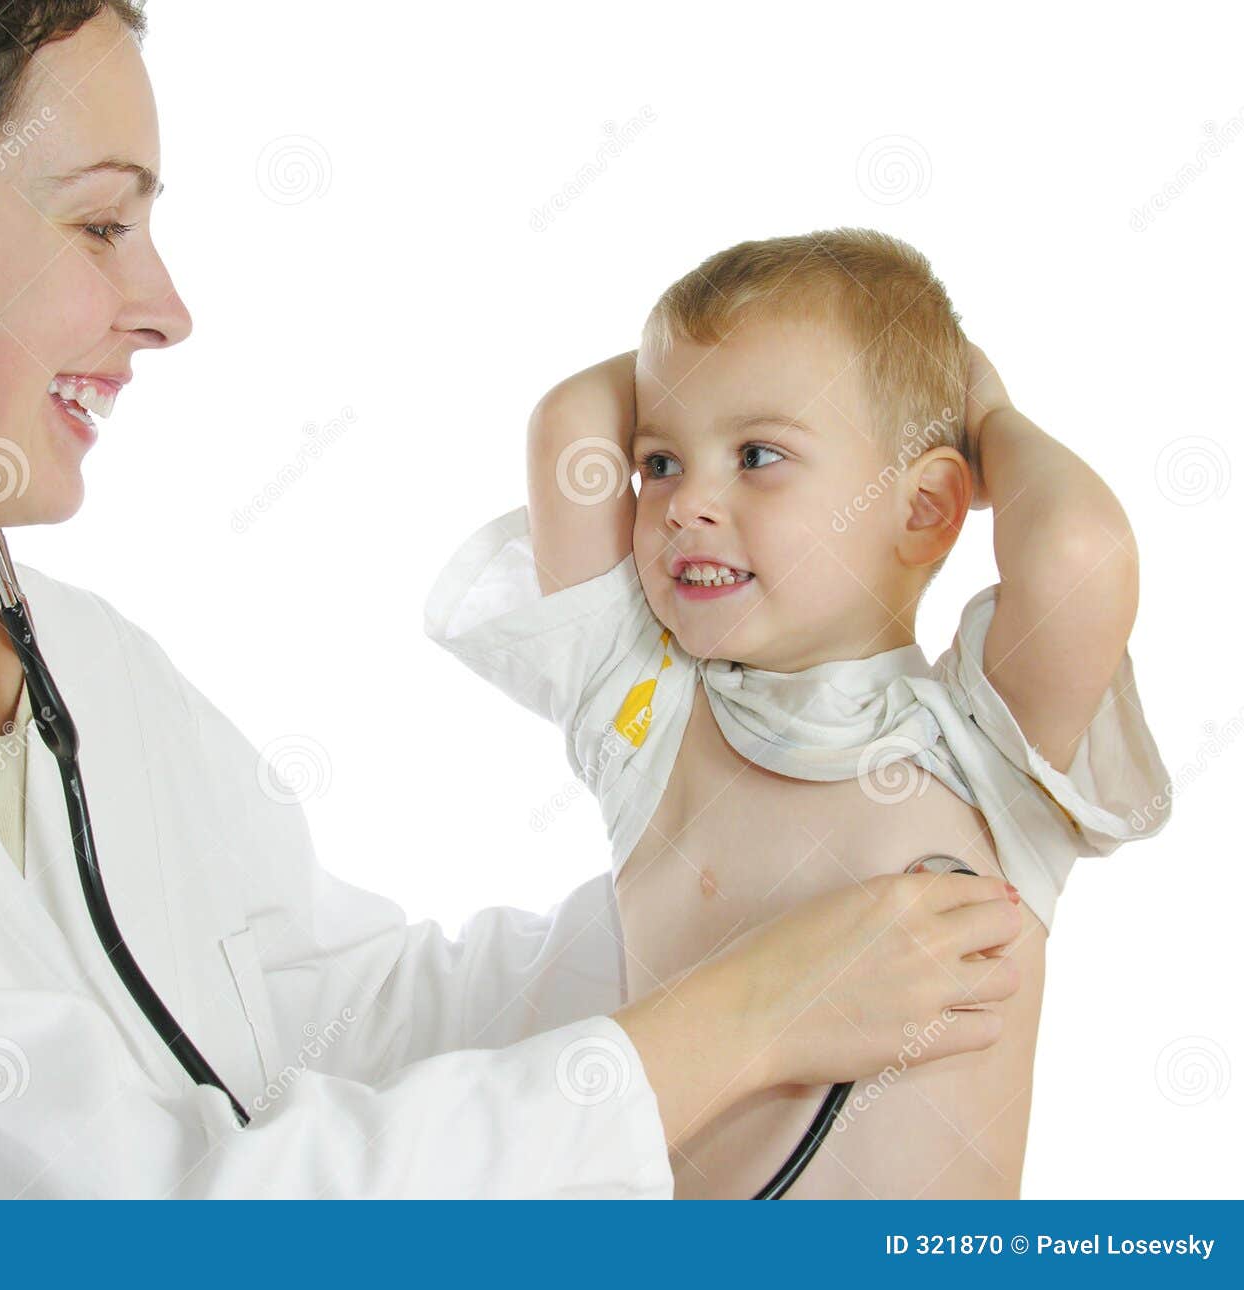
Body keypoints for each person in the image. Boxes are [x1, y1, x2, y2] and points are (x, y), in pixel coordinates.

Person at [0, 2, 1023, 1199]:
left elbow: (333, 1016)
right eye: (101, 222)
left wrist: (754, 876)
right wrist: (745, 1017)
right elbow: (123, 1221)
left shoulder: (83, 666)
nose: (166, 306)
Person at [423, 231, 1171, 1197]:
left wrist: (979, 407)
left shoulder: (986, 750)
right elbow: (571, 424)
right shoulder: (647, 712)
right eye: (660, 462)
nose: (689, 502)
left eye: (758, 454)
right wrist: (730, 360)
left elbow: (1081, 552)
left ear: (927, 506)